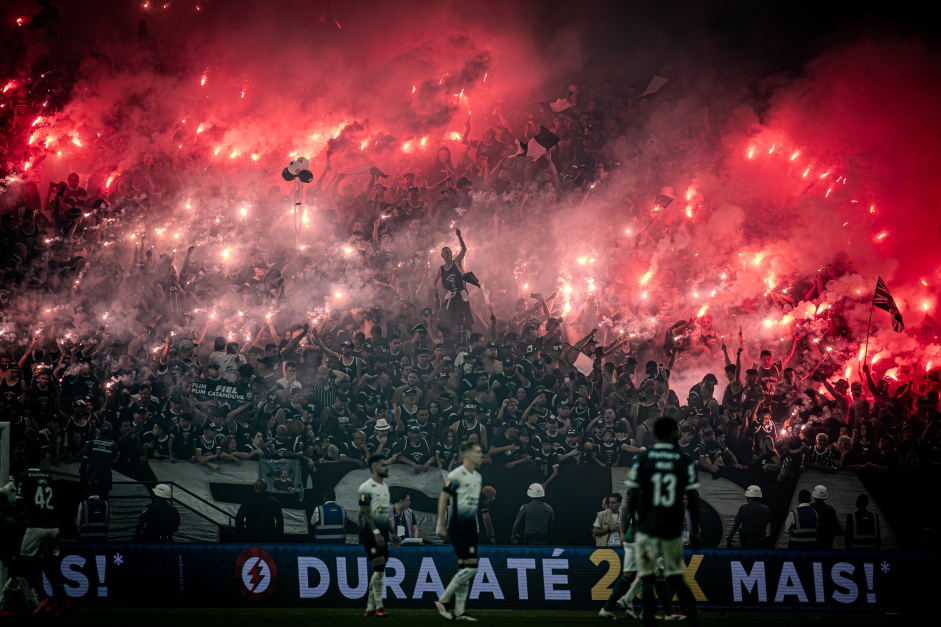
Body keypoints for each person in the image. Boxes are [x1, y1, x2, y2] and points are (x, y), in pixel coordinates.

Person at [621, 417, 701, 626]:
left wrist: (628, 526)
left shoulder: (642, 459)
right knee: (674, 574)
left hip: (648, 526)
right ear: (675, 434)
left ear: (654, 434)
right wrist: (695, 530)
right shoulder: (684, 460)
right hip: (672, 526)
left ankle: (649, 618)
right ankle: (692, 613)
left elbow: (631, 496)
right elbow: (693, 497)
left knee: (647, 576)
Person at [0, 449, 67, 615]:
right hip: (54, 526)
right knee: (50, 566)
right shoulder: (49, 478)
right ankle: (63, 599)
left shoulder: (24, 478)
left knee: (23, 564)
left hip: (36, 526)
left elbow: (21, 506)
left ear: (26, 464)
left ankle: (44, 597)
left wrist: (12, 510)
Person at [435, 441, 484, 621]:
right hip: (458, 525)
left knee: (465, 568)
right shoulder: (456, 475)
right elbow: (443, 498)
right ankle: (443, 600)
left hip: (471, 525)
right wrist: (441, 524)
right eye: (477, 452)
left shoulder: (478, 477)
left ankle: (460, 611)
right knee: (472, 568)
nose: (481, 455)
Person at [358, 455, 400, 617]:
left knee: (380, 569)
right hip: (369, 531)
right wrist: (376, 533)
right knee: (379, 564)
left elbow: (385, 515)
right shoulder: (365, 487)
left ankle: (370, 608)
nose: (387, 467)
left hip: (382, 532)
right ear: (374, 468)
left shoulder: (385, 487)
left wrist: (392, 533)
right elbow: (365, 512)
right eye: (383, 465)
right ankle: (380, 607)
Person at [79, 423, 120, 499]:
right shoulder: (113, 446)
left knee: (87, 505)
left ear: (100, 431)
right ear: (111, 432)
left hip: (90, 480)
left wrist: (82, 481)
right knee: (102, 506)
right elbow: (114, 463)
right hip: (104, 481)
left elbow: (83, 465)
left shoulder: (90, 443)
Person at [810, 484, 843, 549]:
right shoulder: (831, 509)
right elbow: (835, 526)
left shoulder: (811, 508)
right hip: (827, 542)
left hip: (814, 542)